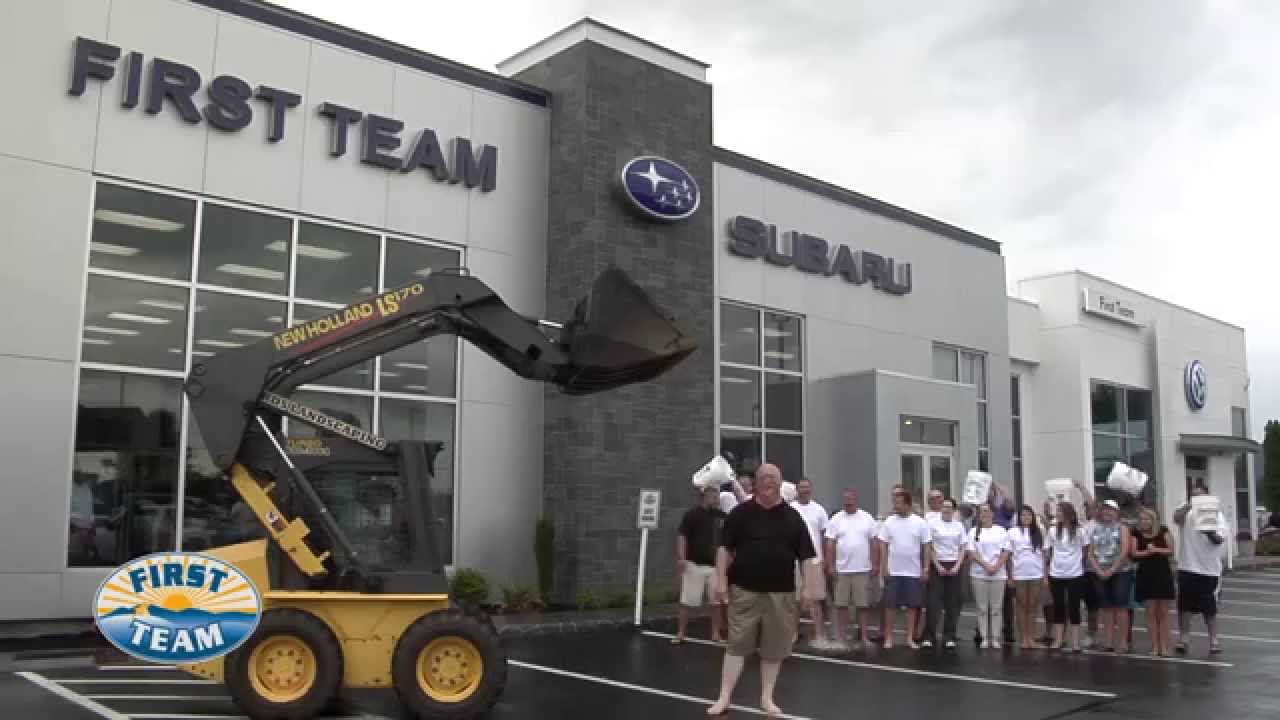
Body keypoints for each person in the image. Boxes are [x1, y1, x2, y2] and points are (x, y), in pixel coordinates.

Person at [708, 463, 816, 717]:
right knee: (736, 644)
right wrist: (721, 581)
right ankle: (724, 697)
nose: (768, 481)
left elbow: (807, 557)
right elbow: (724, 549)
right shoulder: (740, 513)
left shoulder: (792, 517)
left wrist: (809, 588)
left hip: (781, 594)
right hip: (745, 591)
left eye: (773, 478)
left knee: (774, 648)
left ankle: (767, 698)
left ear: (780, 483)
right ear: (755, 483)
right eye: (764, 477)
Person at [1173, 483, 1229, 656]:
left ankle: (1213, 640)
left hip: (1208, 569)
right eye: (1194, 495)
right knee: (1184, 606)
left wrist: (1208, 531)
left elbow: (1218, 539)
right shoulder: (1186, 511)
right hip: (1187, 566)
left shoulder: (1217, 516)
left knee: (1209, 607)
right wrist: (1190, 506)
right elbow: (1176, 518)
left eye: (1201, 496)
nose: (1197, 499)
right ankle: (1183, 638)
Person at [876, 489, 932, 650]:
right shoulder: (889, 522)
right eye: (895, 503)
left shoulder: (920, 523)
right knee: (890, 605)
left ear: (907, 504)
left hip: (913, 571)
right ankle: (888, 637)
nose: (895, 506)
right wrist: (883, 567)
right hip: (894, 571)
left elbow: (926, 546)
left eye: (898, 503)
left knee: (912, 606)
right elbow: (883, 545)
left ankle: (909, 637)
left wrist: (926, 568)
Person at [824, 488, 879, 648]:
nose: (848, 502)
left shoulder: (867, 518)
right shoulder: (836, 519)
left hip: (862, 569)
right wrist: (830, 565)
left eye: (850, 499)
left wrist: (875, 564)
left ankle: (864, 637)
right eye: (845, 499)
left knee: (862, 605)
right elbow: (830, 544)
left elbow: (874, 543)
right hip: (842, 570)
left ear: (856, 500)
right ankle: (842, 636)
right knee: (841, 605)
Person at [675, 485, 728, 644]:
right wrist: (681, 558)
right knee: (686, 601)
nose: (716, 499)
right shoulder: (692, 515)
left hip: (715, 567)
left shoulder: (721, 516)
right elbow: (682, 536)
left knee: (716, 603)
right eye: (713, 496)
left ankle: (715, 633)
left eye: (717, 496)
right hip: (694, 564)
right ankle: (681, 633)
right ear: (704, 496)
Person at [1089, 499, 1133, 653]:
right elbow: (1090, 553)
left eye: (1111, 510)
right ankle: (1108, 641)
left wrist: (1112, 570)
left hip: (1121, 572)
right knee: (1106, 606)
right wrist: (1098, 570)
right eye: (1105, 509)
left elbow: (1124, 550)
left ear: (1117, 512)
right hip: (1100, 572)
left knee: (1121, 606)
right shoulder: (1096, 528)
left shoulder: (1123, 528)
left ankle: (1122, 641)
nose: (1107, 512)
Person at [1131, 506, 1176, 657]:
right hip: (1145, 575)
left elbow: (1171, 550)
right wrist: (1146, 552)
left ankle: (1164, 646)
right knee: (1150, 613)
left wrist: (1156, 550)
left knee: (1163, 613)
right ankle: (1154, 646)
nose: (1144, 522)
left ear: (1153, 520)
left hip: (1162, 574)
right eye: (1142, 519)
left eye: (1147, 519)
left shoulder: (1163, 531)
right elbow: (1133, 553)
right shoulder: (1136, 533)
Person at [922, 497, 966, 649]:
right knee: (933, 602)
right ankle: (928, 636)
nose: (946, 509)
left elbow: (962, 548)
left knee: (952, 603)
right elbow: (930, 547)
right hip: (937, 566)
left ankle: (949, 636)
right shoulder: (932, 525)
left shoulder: (959, 526)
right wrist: (937, 565)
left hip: (954, 565)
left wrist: (957, 566)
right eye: (944, 506)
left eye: (949, 507)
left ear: (954, 510)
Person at [791, 478, 830, 645]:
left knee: (815, 600)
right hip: (793, 560)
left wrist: (826, 559)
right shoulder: (791, 508)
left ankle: (819, 634)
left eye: (807, 487)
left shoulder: (819, 510)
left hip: (814, 560)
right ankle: (792, 634)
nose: (804, 490)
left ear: (811, 489)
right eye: (801, 488)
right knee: (793, 600)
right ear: (797, 490)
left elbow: (824, 536)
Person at [1046, 501, 1090, 652]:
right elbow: (1048, 551)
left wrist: (1078, 564)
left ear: (1068, 513)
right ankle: (1058, 639)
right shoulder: (1052, 530)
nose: (1057, 514)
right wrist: (1047, 570)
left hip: (1075, 573)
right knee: (1058, 606)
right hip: (1056, 573)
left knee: (1074, 607)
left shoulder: (1080, 531)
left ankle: (1075, 642)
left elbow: (1085, 550)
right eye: (1057, 511)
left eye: (1060, 511)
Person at [967, 503, 1011, 649]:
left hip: (998, 574)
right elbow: (972, 552)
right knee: (982, 608)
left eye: (987, 511)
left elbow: (1006, 550)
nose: (984, 514)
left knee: (996, 608)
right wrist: (986, 565)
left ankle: (995, 638)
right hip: (979, 574)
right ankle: (985, 637)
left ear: (993, 513)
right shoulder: (973, 531)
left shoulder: (1001, 531)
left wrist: (996, 566)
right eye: (981, 512)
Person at [1008, 504, 1047, 650]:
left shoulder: (1039, 531)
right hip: (1019, 574)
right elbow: (1009, 555)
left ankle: (1031, 636)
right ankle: (1023, 637)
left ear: (1033, 517)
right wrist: (1010, 576)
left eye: (1029, 515)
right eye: (1023, 515)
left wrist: (1044, 575)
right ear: (1019, 517)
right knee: (1021, 605)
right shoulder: (1012, 532)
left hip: (1036, 574)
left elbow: (1043, 555)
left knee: (1033, 606)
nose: (1026, 517)